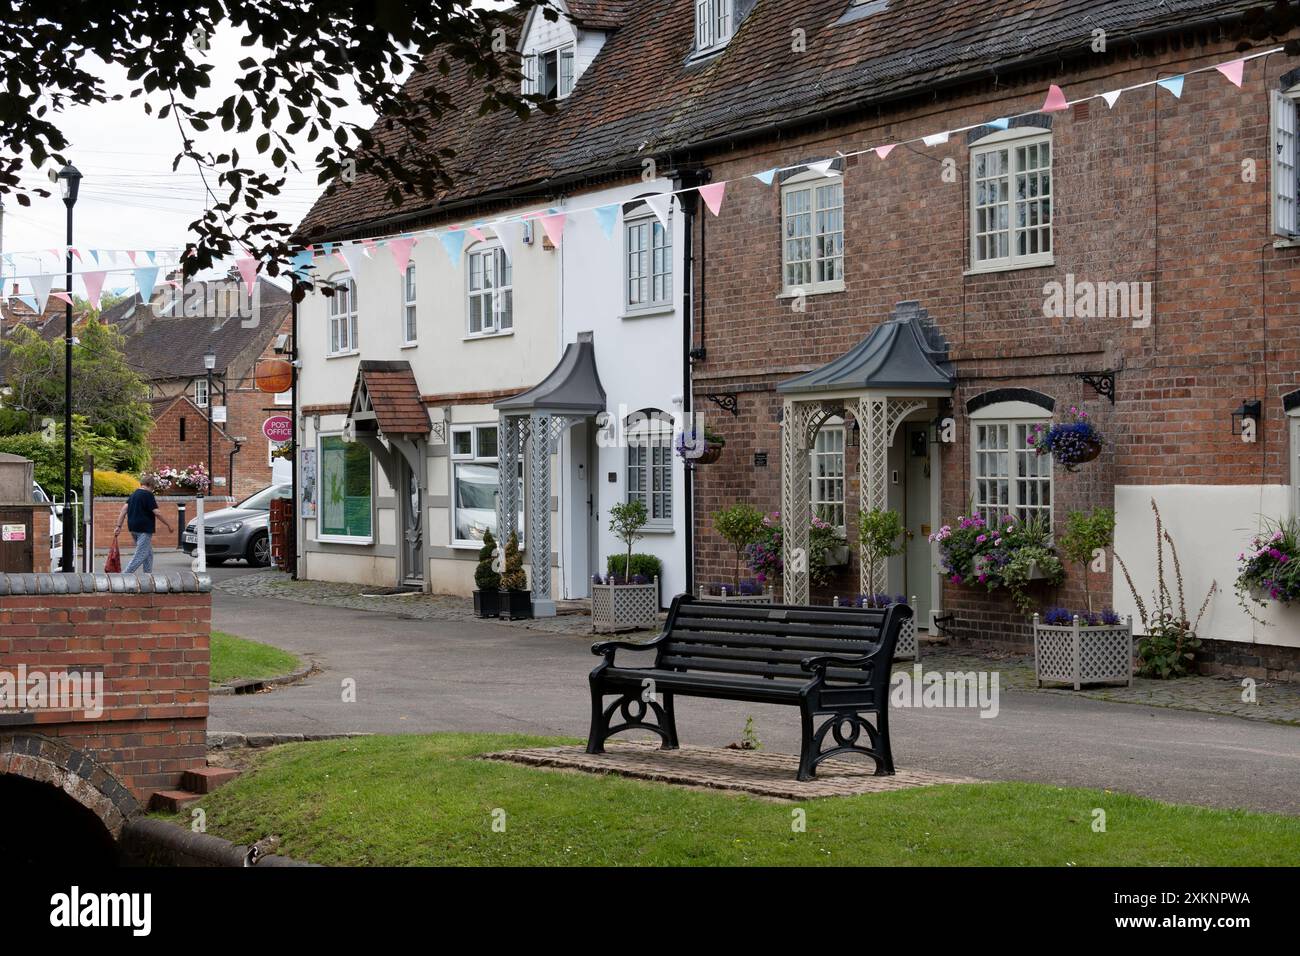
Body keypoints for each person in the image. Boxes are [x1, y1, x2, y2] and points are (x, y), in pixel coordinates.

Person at [113, 475, 173, 574]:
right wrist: (168, 524)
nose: (152, 490)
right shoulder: (148, 495)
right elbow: (157, 512)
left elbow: (123, 510)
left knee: (148, 553)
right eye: (152, 488)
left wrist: (118, 526)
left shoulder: (133, 495)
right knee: (141, 554)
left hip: (133, 528)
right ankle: (125, 575)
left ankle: (148, 576)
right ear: (150, 485)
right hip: (144, 529)